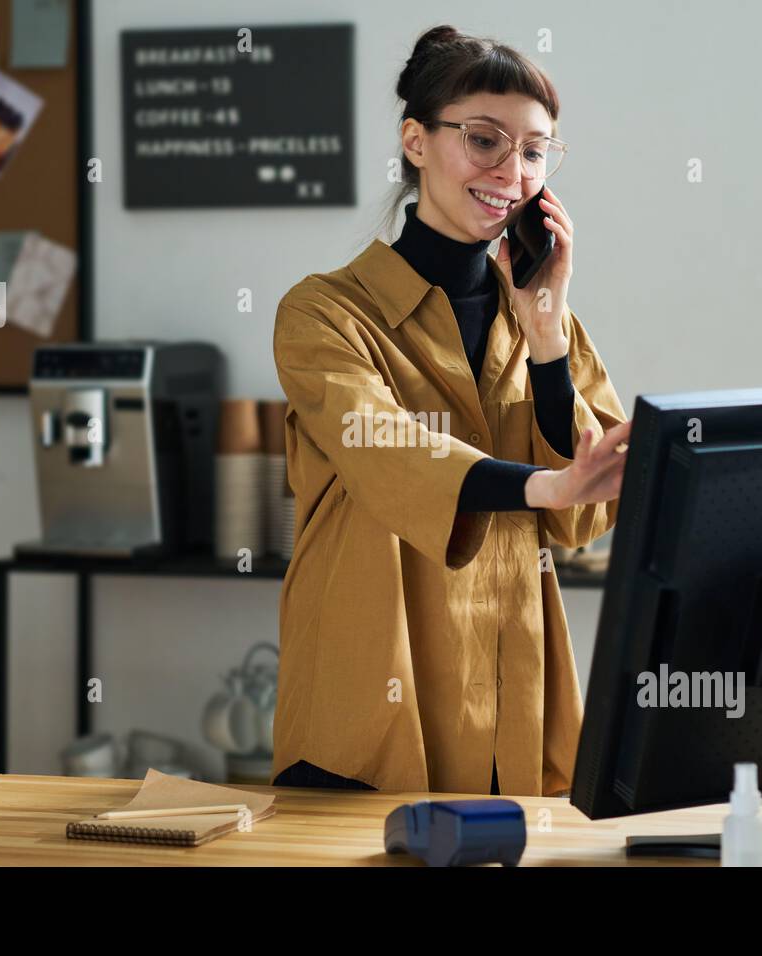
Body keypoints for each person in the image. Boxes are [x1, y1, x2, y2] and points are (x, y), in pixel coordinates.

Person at [271, 25, 632, 798]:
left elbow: (585, 513)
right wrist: (544, 487)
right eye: (483, 139)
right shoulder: (324, 312)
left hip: (511, 694)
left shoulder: (545, 320)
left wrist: (545, 344)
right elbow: (387, 450)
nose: (512, 170)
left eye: (535, 151)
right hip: (374, 686)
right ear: (416, 141)